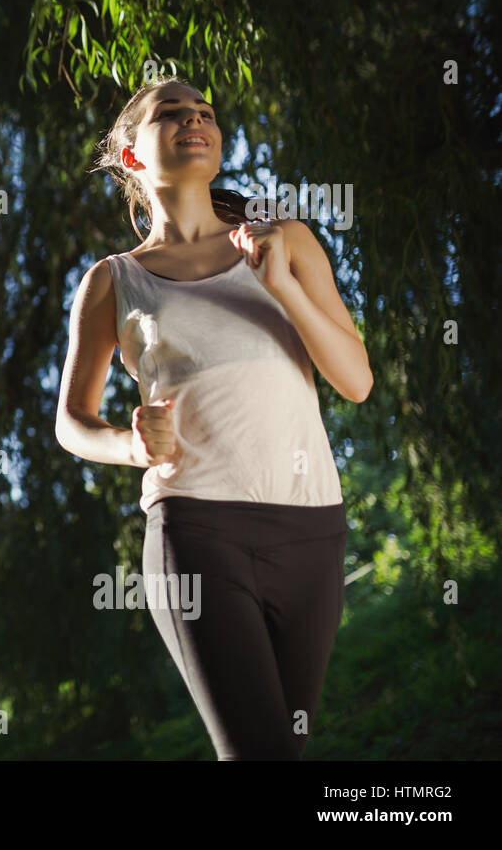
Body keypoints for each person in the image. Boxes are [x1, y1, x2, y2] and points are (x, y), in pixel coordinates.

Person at [55, 75, 373, 760]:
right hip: (197, 530)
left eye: (204, 110)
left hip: (313, 528)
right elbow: (71, 421)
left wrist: (280, 283)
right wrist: (129, 442)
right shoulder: (113, 280)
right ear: (133, 155)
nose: (194, 118)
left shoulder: (284, 241)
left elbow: (356, 380)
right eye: (170, 113)